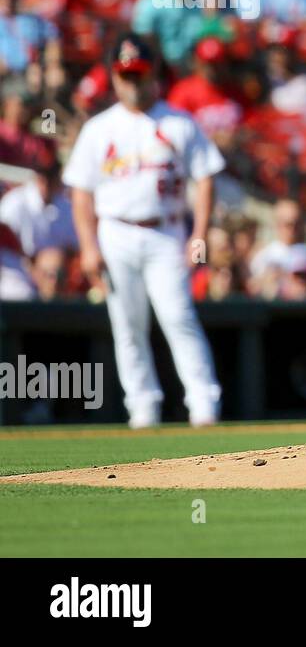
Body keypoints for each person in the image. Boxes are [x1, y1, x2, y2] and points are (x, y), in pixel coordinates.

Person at [62, 35, 224, 428]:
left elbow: (205, 179)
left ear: (153, 75)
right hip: (115, 232)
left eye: (138, 74)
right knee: (128, 324)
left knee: (178, 316)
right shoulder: (100, 128)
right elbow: (81, 194)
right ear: (114, 79)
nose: (132, 83)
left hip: (166, 231)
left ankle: (203, 405)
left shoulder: (178, 122)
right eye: (124, 75)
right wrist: (88, 246)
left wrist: (198, 233)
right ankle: (142, 407)